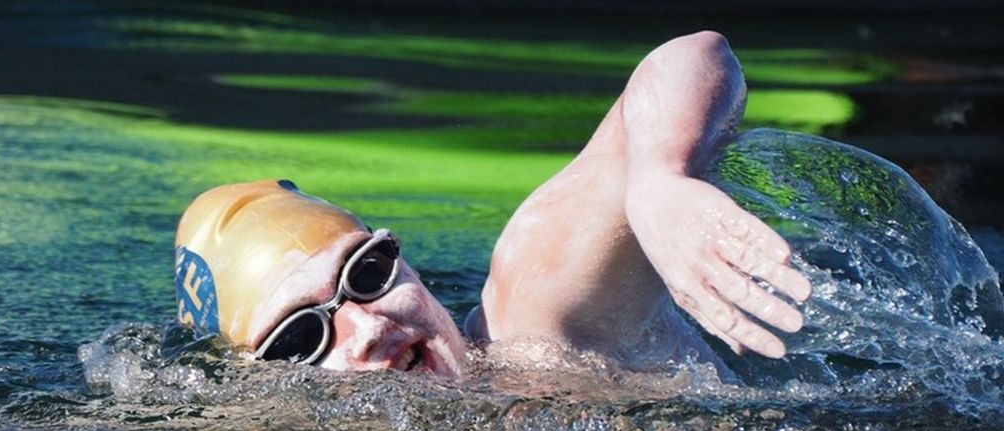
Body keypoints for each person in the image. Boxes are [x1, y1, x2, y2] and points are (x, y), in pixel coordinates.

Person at [174, 31, 813, 380]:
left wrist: (657, 178)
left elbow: (691, 55)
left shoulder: (540, 320)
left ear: (406, 261)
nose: (369, 328)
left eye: (365, 274)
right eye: (301, 337)